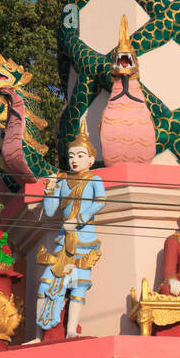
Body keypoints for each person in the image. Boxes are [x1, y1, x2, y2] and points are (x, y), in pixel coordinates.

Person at [37, 120, 106, 341]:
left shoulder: (95, 179)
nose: (75, 160)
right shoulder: (64, 182)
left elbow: (101, 201)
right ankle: (40, 334)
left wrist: (80, 219)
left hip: (84, 240)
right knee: (46, 281)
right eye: (71, 156)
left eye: (80, 155)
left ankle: (71, 330)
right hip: (63, 240)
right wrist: (50, 190)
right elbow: (49, 212)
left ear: (91, 160)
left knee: (79, 284)